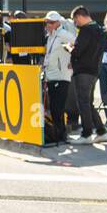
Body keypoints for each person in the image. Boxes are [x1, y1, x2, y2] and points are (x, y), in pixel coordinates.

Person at [68, 6, 107, 142]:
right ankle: (101, 131)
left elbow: (78, 51)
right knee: (88, 103)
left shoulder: (85, 30)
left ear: (79, 17)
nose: (75, 24)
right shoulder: (101, 30)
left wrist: (69, 48)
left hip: (83, 71)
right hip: (95, 70)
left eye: (75, 20)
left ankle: (86, 134)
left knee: (83, 102)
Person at [42, 11, 72, 144]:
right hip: (52, 75)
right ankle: (59, 134)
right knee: (54, 108)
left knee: (57, 108)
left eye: (52, 22)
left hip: (61, 76)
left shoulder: (64, 35)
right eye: (47, 22)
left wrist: (72, 61)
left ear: (58, 23)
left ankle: (61, 135)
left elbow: (77, 45)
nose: (49, 24)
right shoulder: (50, 36)